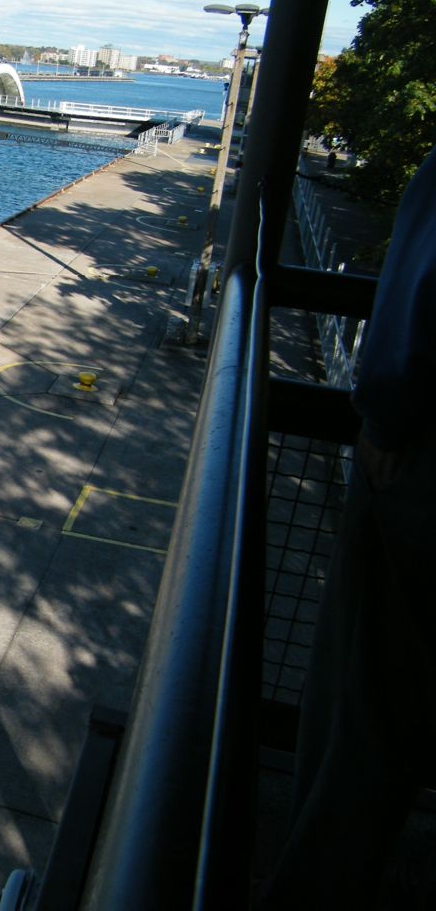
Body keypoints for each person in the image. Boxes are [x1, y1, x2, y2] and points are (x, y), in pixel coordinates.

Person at [258, 145, 436, 908]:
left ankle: (322, 882)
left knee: (365, 692)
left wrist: (385, 421)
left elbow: (414, 299)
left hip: (421, 473)